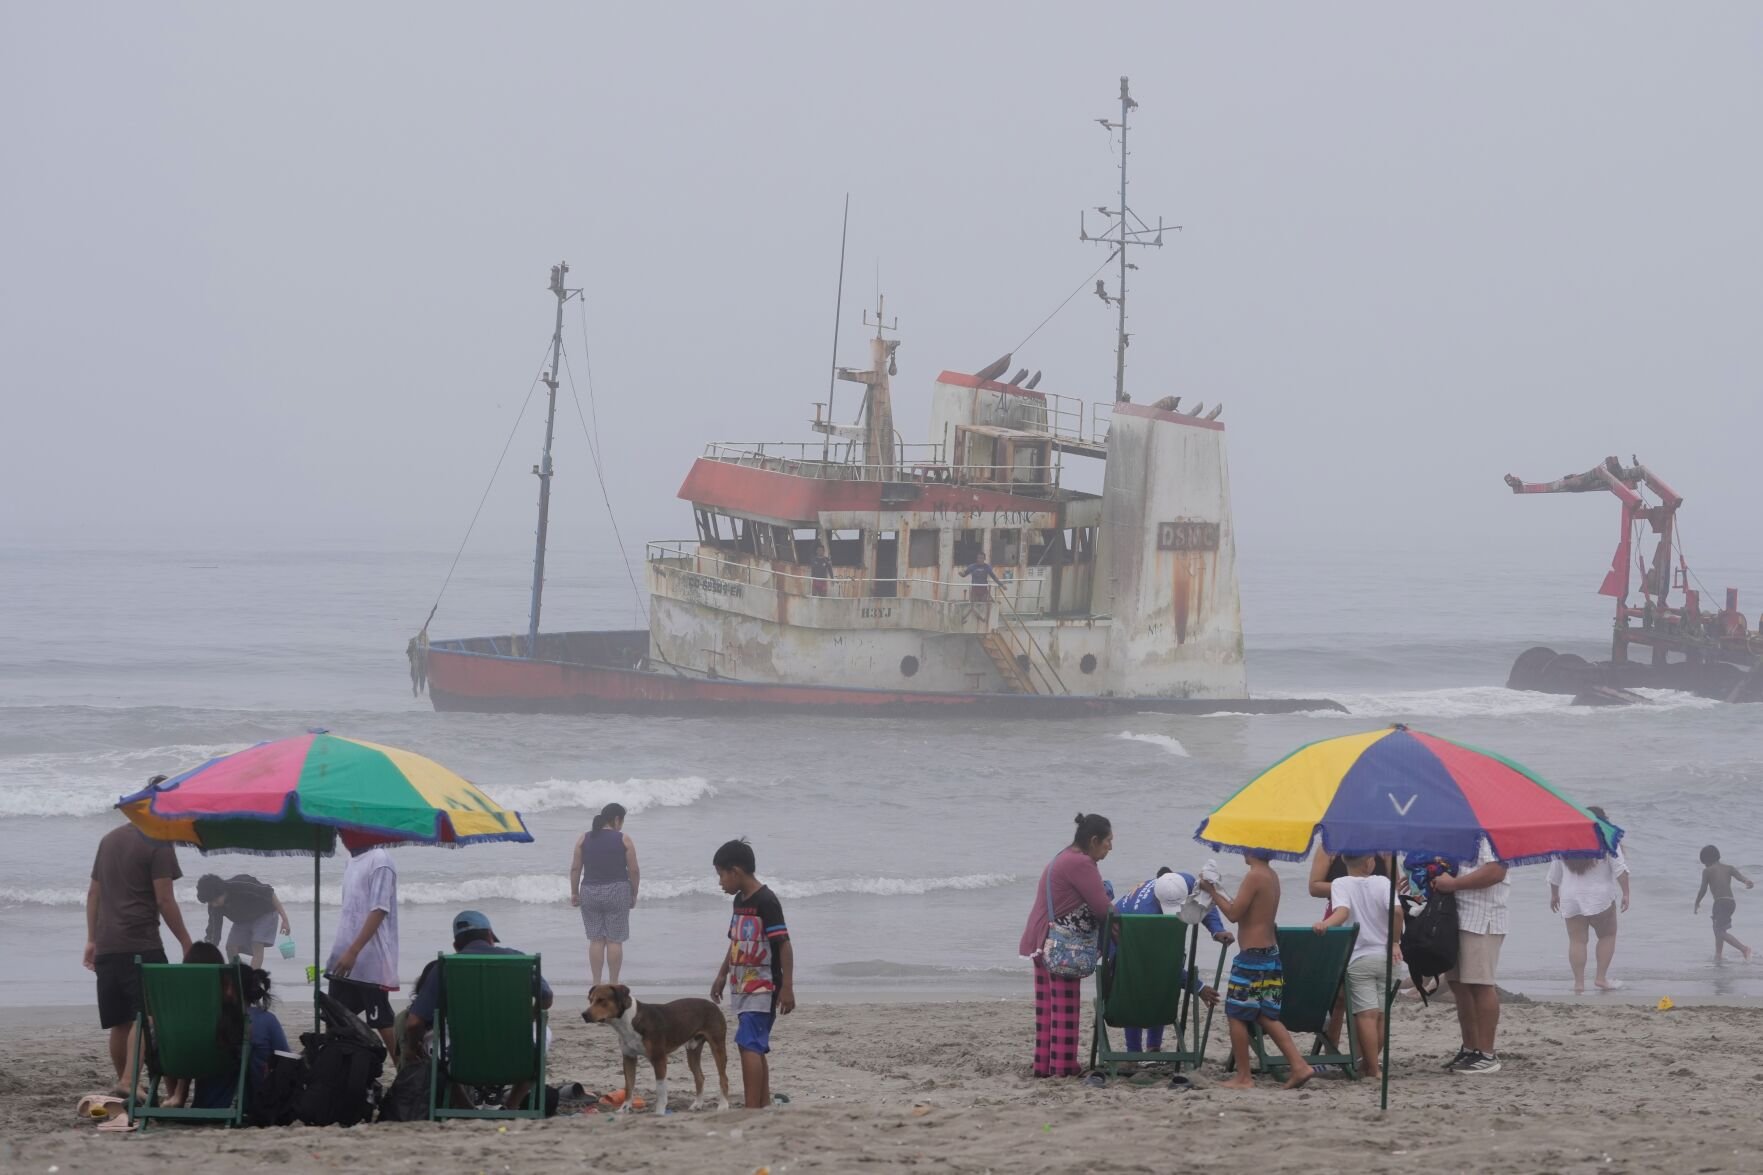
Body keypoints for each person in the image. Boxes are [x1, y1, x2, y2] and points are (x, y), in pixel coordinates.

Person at [84, 800, 194, 1093]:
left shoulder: (109, 840)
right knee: (152, 1015)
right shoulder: (158, 842)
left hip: (107, 945)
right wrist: (185, 940)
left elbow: (94, 892)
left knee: (120, 1022)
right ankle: (129, 1083)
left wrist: (91, 939)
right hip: (141, 944)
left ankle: (129, 1087)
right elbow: (164, 899)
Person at [404, 910, 553, 1111]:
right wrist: (530, 1016)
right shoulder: (518, 959)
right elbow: (546, 998)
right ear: (490, 936)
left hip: (460, 1060)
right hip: (518, 1056)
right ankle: (512, 1104)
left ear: (456, 945)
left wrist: (413, 1048)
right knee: (544, 1030)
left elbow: (414, 1023)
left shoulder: (445, 967)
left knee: (431, 1039)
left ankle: (465, 1106)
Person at [1198, 852, 1313, 1090]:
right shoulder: (1271, 875)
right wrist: (1219, 890)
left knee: (1236, 1014)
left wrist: (1210, 891)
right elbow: (1249, 912)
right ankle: (1299, 1065)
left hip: (1251, 959)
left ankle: (1243, 1076)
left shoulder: (1254, 876)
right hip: (1271, 955)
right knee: (1265, 1015)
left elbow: (1233, 914)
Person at [1018, 813, 1114, 1078]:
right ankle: (1062, 1068)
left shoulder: (1063, 857)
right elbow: (1102, 909)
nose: (1110, 847)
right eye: (1108, 841)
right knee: (1065, 1010)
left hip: (1040, 940)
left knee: (1048, 1009)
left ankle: (1044, 1066)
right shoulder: (1082, 863)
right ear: (1094, 840)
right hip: (1061, 946)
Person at [710, 838, 794, 1109]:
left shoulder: (767, 901)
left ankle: (751, 1108)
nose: (720, 881)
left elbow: (784, 944)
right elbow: (734, 941)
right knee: (753, 1045)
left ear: (736, 871)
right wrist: (722, 974)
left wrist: (787, 987)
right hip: (741, 984)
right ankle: (763, 1102)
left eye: (721, 875)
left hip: (764, 986)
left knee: (748, 1044)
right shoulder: (739, 901)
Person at [1111, 869, 1228, 1053]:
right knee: (1134, 988)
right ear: (1157, 900)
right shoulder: (1145, 914)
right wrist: (1197, 987)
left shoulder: (1186, 882)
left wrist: (1216, 930)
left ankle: (1154, 1047)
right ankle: (1133, 1051)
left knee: (1161, 987)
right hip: (1123, 940)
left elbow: (1203, 904)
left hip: (1147, 936)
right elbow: (1160, 966)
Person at [1311, 854, 1402, 1078]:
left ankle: (1372, 1068)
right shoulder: (1384, 882)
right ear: (1369, 862)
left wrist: (1325, 924)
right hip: (1389, 958)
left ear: (1343, 860)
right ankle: (1369, 1064)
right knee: (1381, 1015)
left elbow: (1342, 912)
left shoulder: (1341, 883)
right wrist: (1395, 941)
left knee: (1366, 1015)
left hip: (1360, 958)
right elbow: (1398, 912)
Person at [181, 942, 289, 1112]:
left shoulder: (201, 1020)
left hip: (204, 1104)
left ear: (229, 989)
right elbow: (285, 1062)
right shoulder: (265, 1020)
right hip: (247, 1105)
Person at [1432, 845, 1509, 1074]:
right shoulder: (1457, 833)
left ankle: (1486, 1053)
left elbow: (1496, 871)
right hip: (1454, 916)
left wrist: (1454, 884)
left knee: (1480, 983)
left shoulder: (1490, 835)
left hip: (1482, 917)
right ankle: (1470, 1048)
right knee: (1458, 985)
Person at [326, 843, 399, 1058]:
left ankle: (406, 1073)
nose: (341, 834)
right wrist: (345, 951)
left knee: (383, 1022)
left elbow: (379, 910)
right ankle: (334, 1077)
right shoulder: (351, 860)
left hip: (370, 961)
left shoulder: (380, 860)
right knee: (334, 1021)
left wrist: (354, 951)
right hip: (342, 959)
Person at [1547, 810, 1631, 992]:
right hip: (1600, 898)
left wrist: (1554, 895)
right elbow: (1620, 870)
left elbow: (1554, 875)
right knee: (1607, 935)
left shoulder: (1565, 841)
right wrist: (1626, 893)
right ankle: (1601, 978)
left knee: (1577, 941)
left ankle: (1579, 984)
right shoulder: (1608, 838)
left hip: (1571, 898)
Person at [570, 802, 640, 985]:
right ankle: (614, 983)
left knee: (596, 939)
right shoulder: (624, 839)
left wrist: (574, 892)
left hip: (590, 891)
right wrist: (634, 893)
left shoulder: (583, 839)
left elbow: (575, 868)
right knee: (615, 940)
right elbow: (634, 870)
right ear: (617, 819)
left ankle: (596, 983)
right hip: (618, 890)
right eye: (621, 821)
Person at [197, 873, 292, 970]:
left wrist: (285, 920)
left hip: (265, 913)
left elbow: (270, 893)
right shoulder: (214, 906)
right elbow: (214, 932)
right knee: (230, 948)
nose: (214, 905)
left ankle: (251, 979)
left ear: (222, 892)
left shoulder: (242, 885)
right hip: (242, 920)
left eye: (215, 900)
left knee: (257, 944)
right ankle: (238, 975)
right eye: (210, 902)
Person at [1694, 844, 1754, 962]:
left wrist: (1697, 902)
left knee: (1719, 931)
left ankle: (1744, 949)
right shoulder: (1729, 868)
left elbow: (1703, 889)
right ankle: (1718, 955)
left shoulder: (1707, 871)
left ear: (1706, 860)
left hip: (1720, 903)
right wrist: (1747, 881)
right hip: (1731, 902)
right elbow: (1740, 877)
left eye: (1704, 862)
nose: (1704, 865)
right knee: (1718, 928)